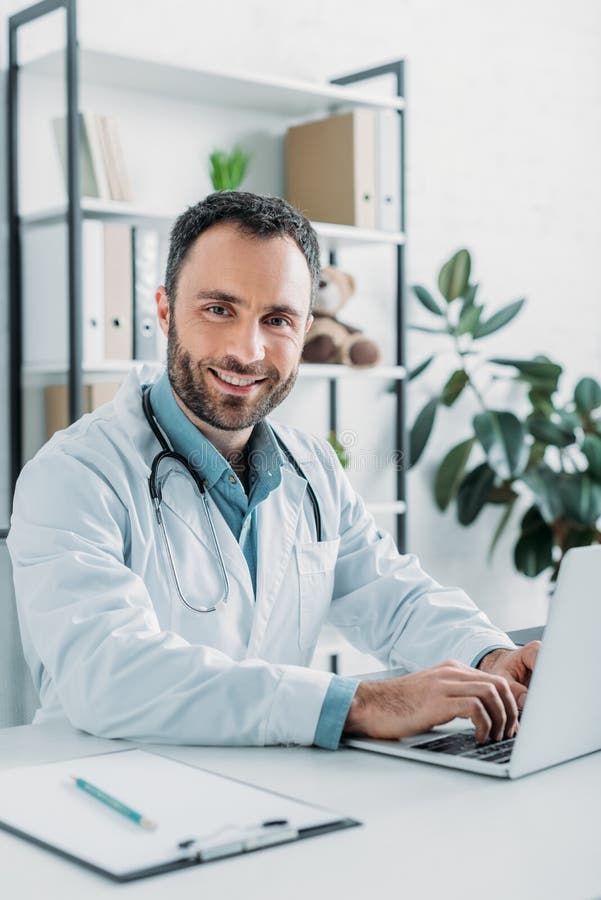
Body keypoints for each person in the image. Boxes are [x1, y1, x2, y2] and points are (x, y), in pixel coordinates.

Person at [8, 191, 539, 750]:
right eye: (219, 309)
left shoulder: (311, 469)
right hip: (105, 794)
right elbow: (109, 674)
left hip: (273, 789)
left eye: (278, 319)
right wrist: (360, 704)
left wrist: (492, 657)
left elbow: (393, 595)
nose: (248, 350)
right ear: (165, 312)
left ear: (306, 330)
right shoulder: (74, 475)